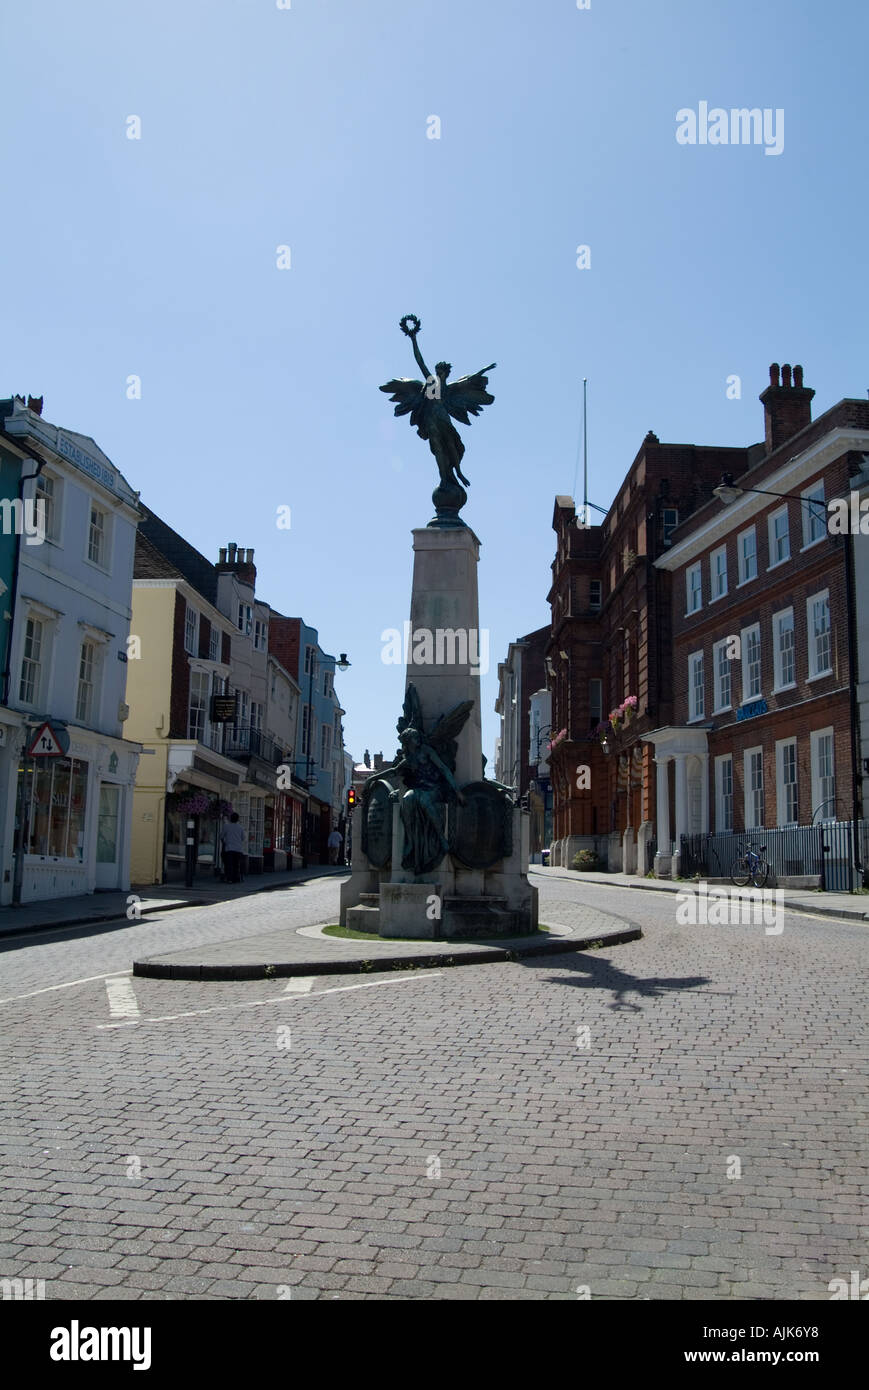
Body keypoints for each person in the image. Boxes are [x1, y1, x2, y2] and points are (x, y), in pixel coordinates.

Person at [220, 813, 246, 883]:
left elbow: (221, 836)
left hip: (229, 848)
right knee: (236, 864)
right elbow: (243, 838)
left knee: (229, 864)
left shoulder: (226, 826)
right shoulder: (240, 827)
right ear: (237, 819)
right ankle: (236, 878)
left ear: (230, 818)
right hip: (238, 849)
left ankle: (229, 879)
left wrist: (224, 842)